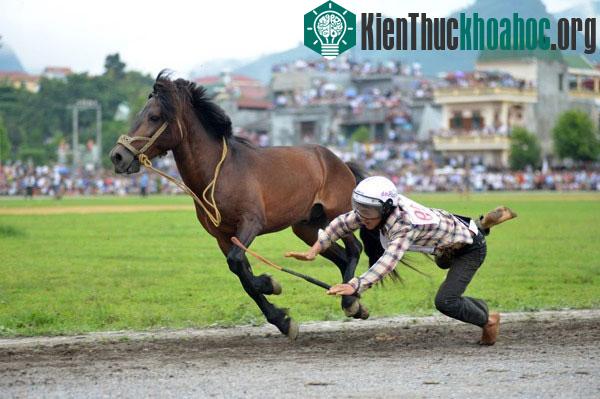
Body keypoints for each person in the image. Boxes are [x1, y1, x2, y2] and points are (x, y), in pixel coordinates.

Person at [285, 176, 516, 345]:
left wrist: (355, 285)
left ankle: (488, 321)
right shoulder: (376, 209)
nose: (362, 215)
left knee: (445, 301)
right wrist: (315, 249)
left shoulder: (404, 225)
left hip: (468, 250)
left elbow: (388, 262)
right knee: (444, 267)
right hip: (444, 245)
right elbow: (343, 222)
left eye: (368, 210)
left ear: (386, 208)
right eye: (360, 207)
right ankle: (480, 226)